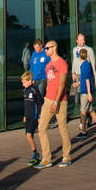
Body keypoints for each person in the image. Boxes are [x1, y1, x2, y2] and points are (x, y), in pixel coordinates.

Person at [34, 40, 72, 168]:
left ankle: (66, 156)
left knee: (62, 129)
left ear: (54, 48)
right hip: (48, 100)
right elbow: (50, 83)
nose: (45, 51)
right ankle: (46, 158)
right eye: (45, 48)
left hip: (60, 100)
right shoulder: (48, 65)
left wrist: (56, 101)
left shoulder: (61, 63)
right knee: (41, 128)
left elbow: (61, 83)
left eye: (47, 48)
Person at [76, 49, 96, 135]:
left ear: (80, 56)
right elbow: (85, 79)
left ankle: (84, 131)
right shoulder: (87, 64)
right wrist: (78, 83)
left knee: (83, 111)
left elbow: (87, 79)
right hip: (86, 90)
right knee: (90, 110)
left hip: (85, 92)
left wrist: (89, 93)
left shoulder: (84, 65)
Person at [71, 32, 96, 115]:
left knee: (84, 98)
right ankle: (86, 114)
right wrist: (73, 72)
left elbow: (93, 64)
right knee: (77, 99)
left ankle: (84, 119)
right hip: (77, 75)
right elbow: (74, 61)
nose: (81, 42)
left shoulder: (89, 50)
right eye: (80, 40)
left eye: (83, 40)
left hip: (85, 76)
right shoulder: (75, 50)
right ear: (77, 41)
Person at [21, 70, 42, 165]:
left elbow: (39, 103)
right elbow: (26, 105)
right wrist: (25, 115)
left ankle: (35, 154)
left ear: (30, 81)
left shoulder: (34, 90)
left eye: (25, 82)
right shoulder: (25, 91)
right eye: (23, 82)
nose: (23, 84)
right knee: (29, 136)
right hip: (28, 117)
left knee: (29, 135)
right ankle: (35, 153)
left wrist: (39, 116)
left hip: (34, 117)